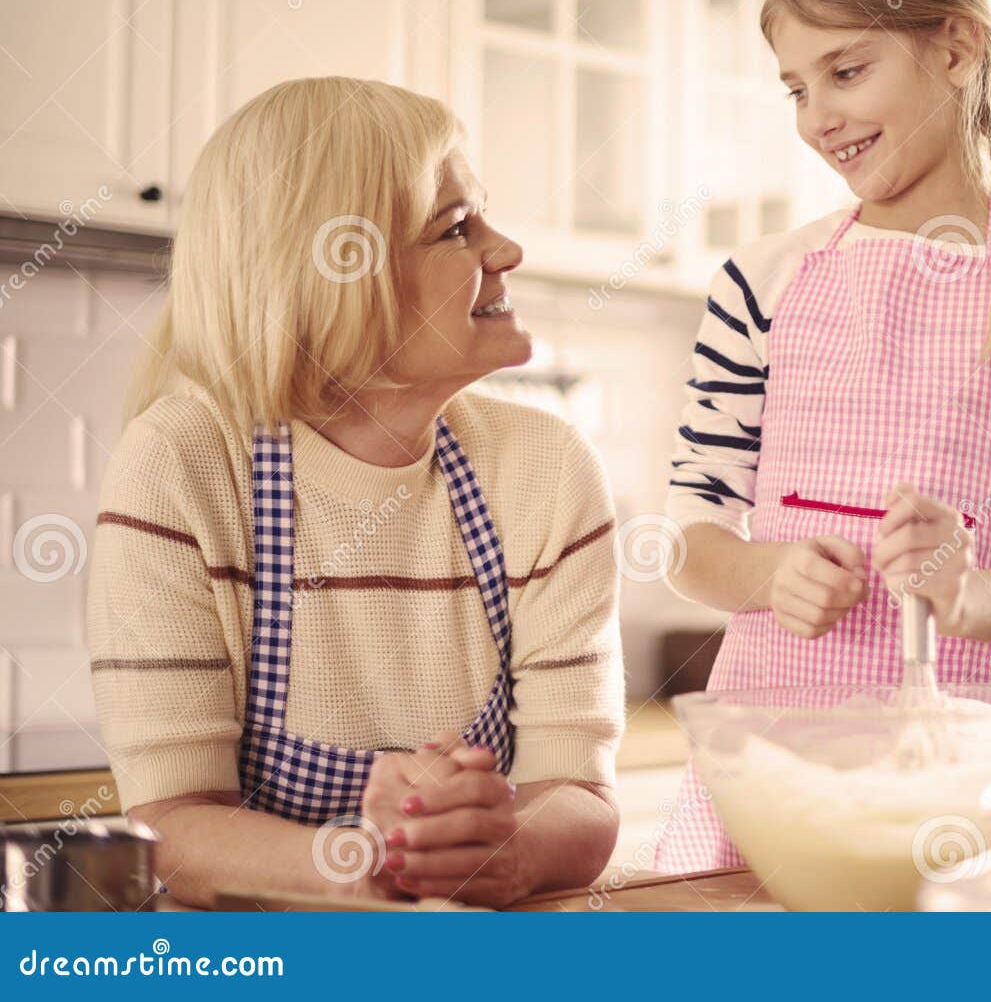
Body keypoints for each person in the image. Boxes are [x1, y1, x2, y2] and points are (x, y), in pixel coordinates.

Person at [655, 0, 991, 872]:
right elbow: (690, 538)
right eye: (796, 88)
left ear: (955, 50)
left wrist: (967, 593)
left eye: (846, 71)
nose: (817, 118)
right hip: (773, 767)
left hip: (973, 773)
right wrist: (768, 575)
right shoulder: (758, 283)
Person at [87, 77, 623, 907]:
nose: (508, 250)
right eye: (456, 227)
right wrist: (367, 862)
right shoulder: (182, 465)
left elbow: (580, 794)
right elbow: (173, 826)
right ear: (334, 273)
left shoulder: (547, 470)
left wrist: (506, 850)